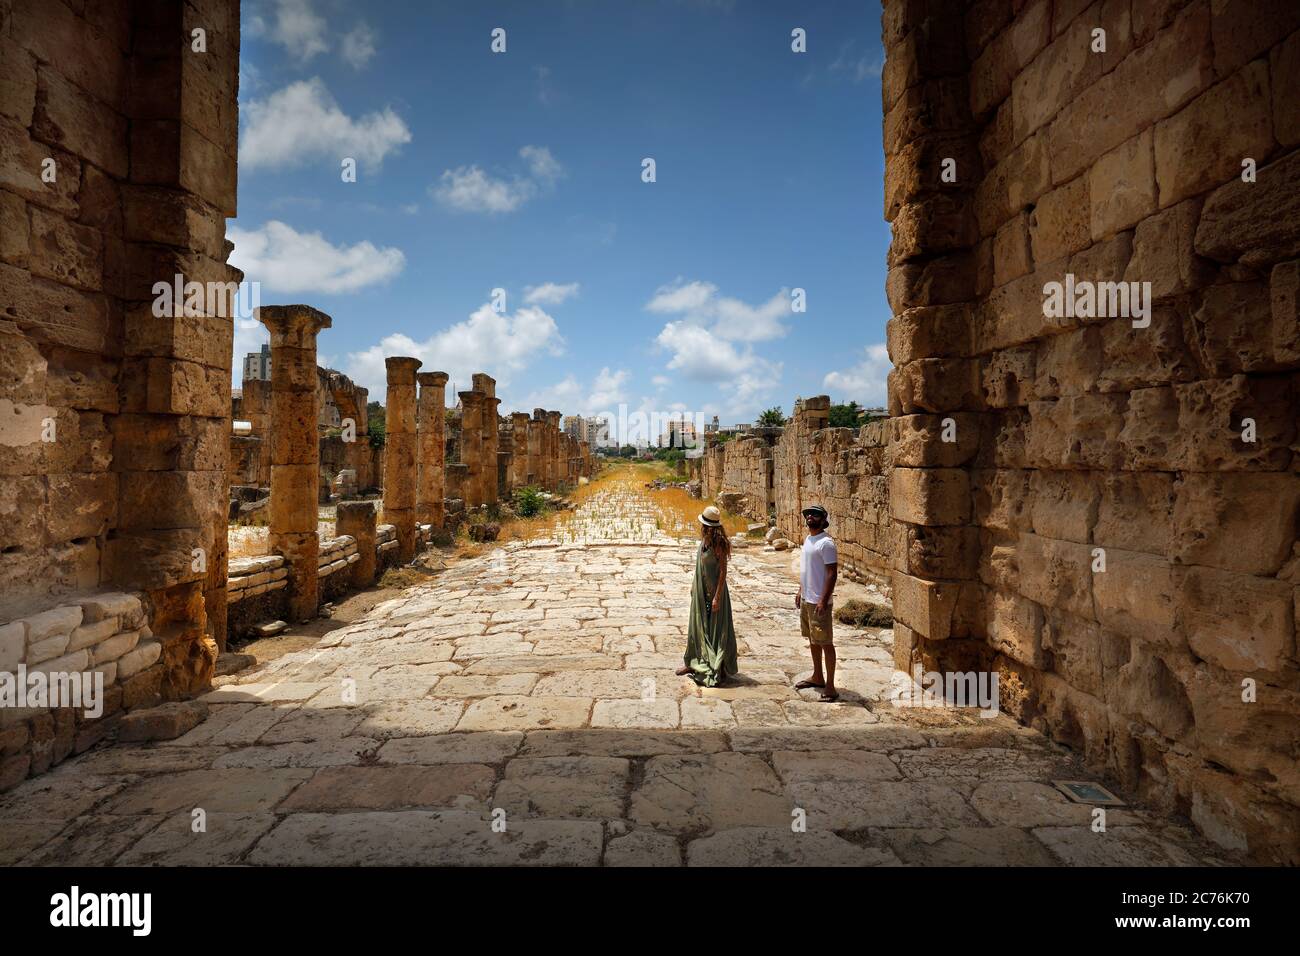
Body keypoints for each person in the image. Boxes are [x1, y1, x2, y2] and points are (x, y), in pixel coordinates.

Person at [677, 505, 738, 686]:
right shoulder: (704, 541)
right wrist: (693, 586)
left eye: (703, 524)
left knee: (715, 628)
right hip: (701, 590)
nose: (701, 527)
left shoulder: (719, 545)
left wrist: (717, 596)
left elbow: (722, 572)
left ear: (708, 527)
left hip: (713, 592)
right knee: (697, 626)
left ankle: (715, 665)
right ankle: (692, 662)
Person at [794, 504, 839, 702]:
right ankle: (817, 676)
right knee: (813, 640)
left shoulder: (826, 543)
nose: (810, 516)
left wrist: (822, 599)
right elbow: (806, 569)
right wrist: (800, 590)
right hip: (807, 599)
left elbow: (832, 573)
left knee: (825, 642)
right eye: (808, 514)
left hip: (819, 601)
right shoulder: (809, 539)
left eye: (815, 514)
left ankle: (830, 686)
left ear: (823, 519)